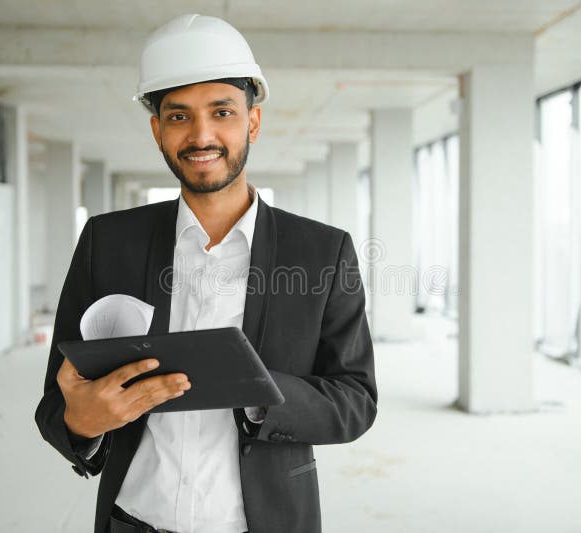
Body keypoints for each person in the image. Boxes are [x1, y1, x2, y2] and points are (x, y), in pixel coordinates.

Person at [35, 13, 377, 533]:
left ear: (253, 122)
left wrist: (261, 395)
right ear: (157, 129)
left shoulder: (322, 253)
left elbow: (355, 400)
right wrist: (82, 423)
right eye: (178, 116)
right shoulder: (108, 242)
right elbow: (56, 402)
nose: (202, 135)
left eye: (222, 111)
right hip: (133, 521)